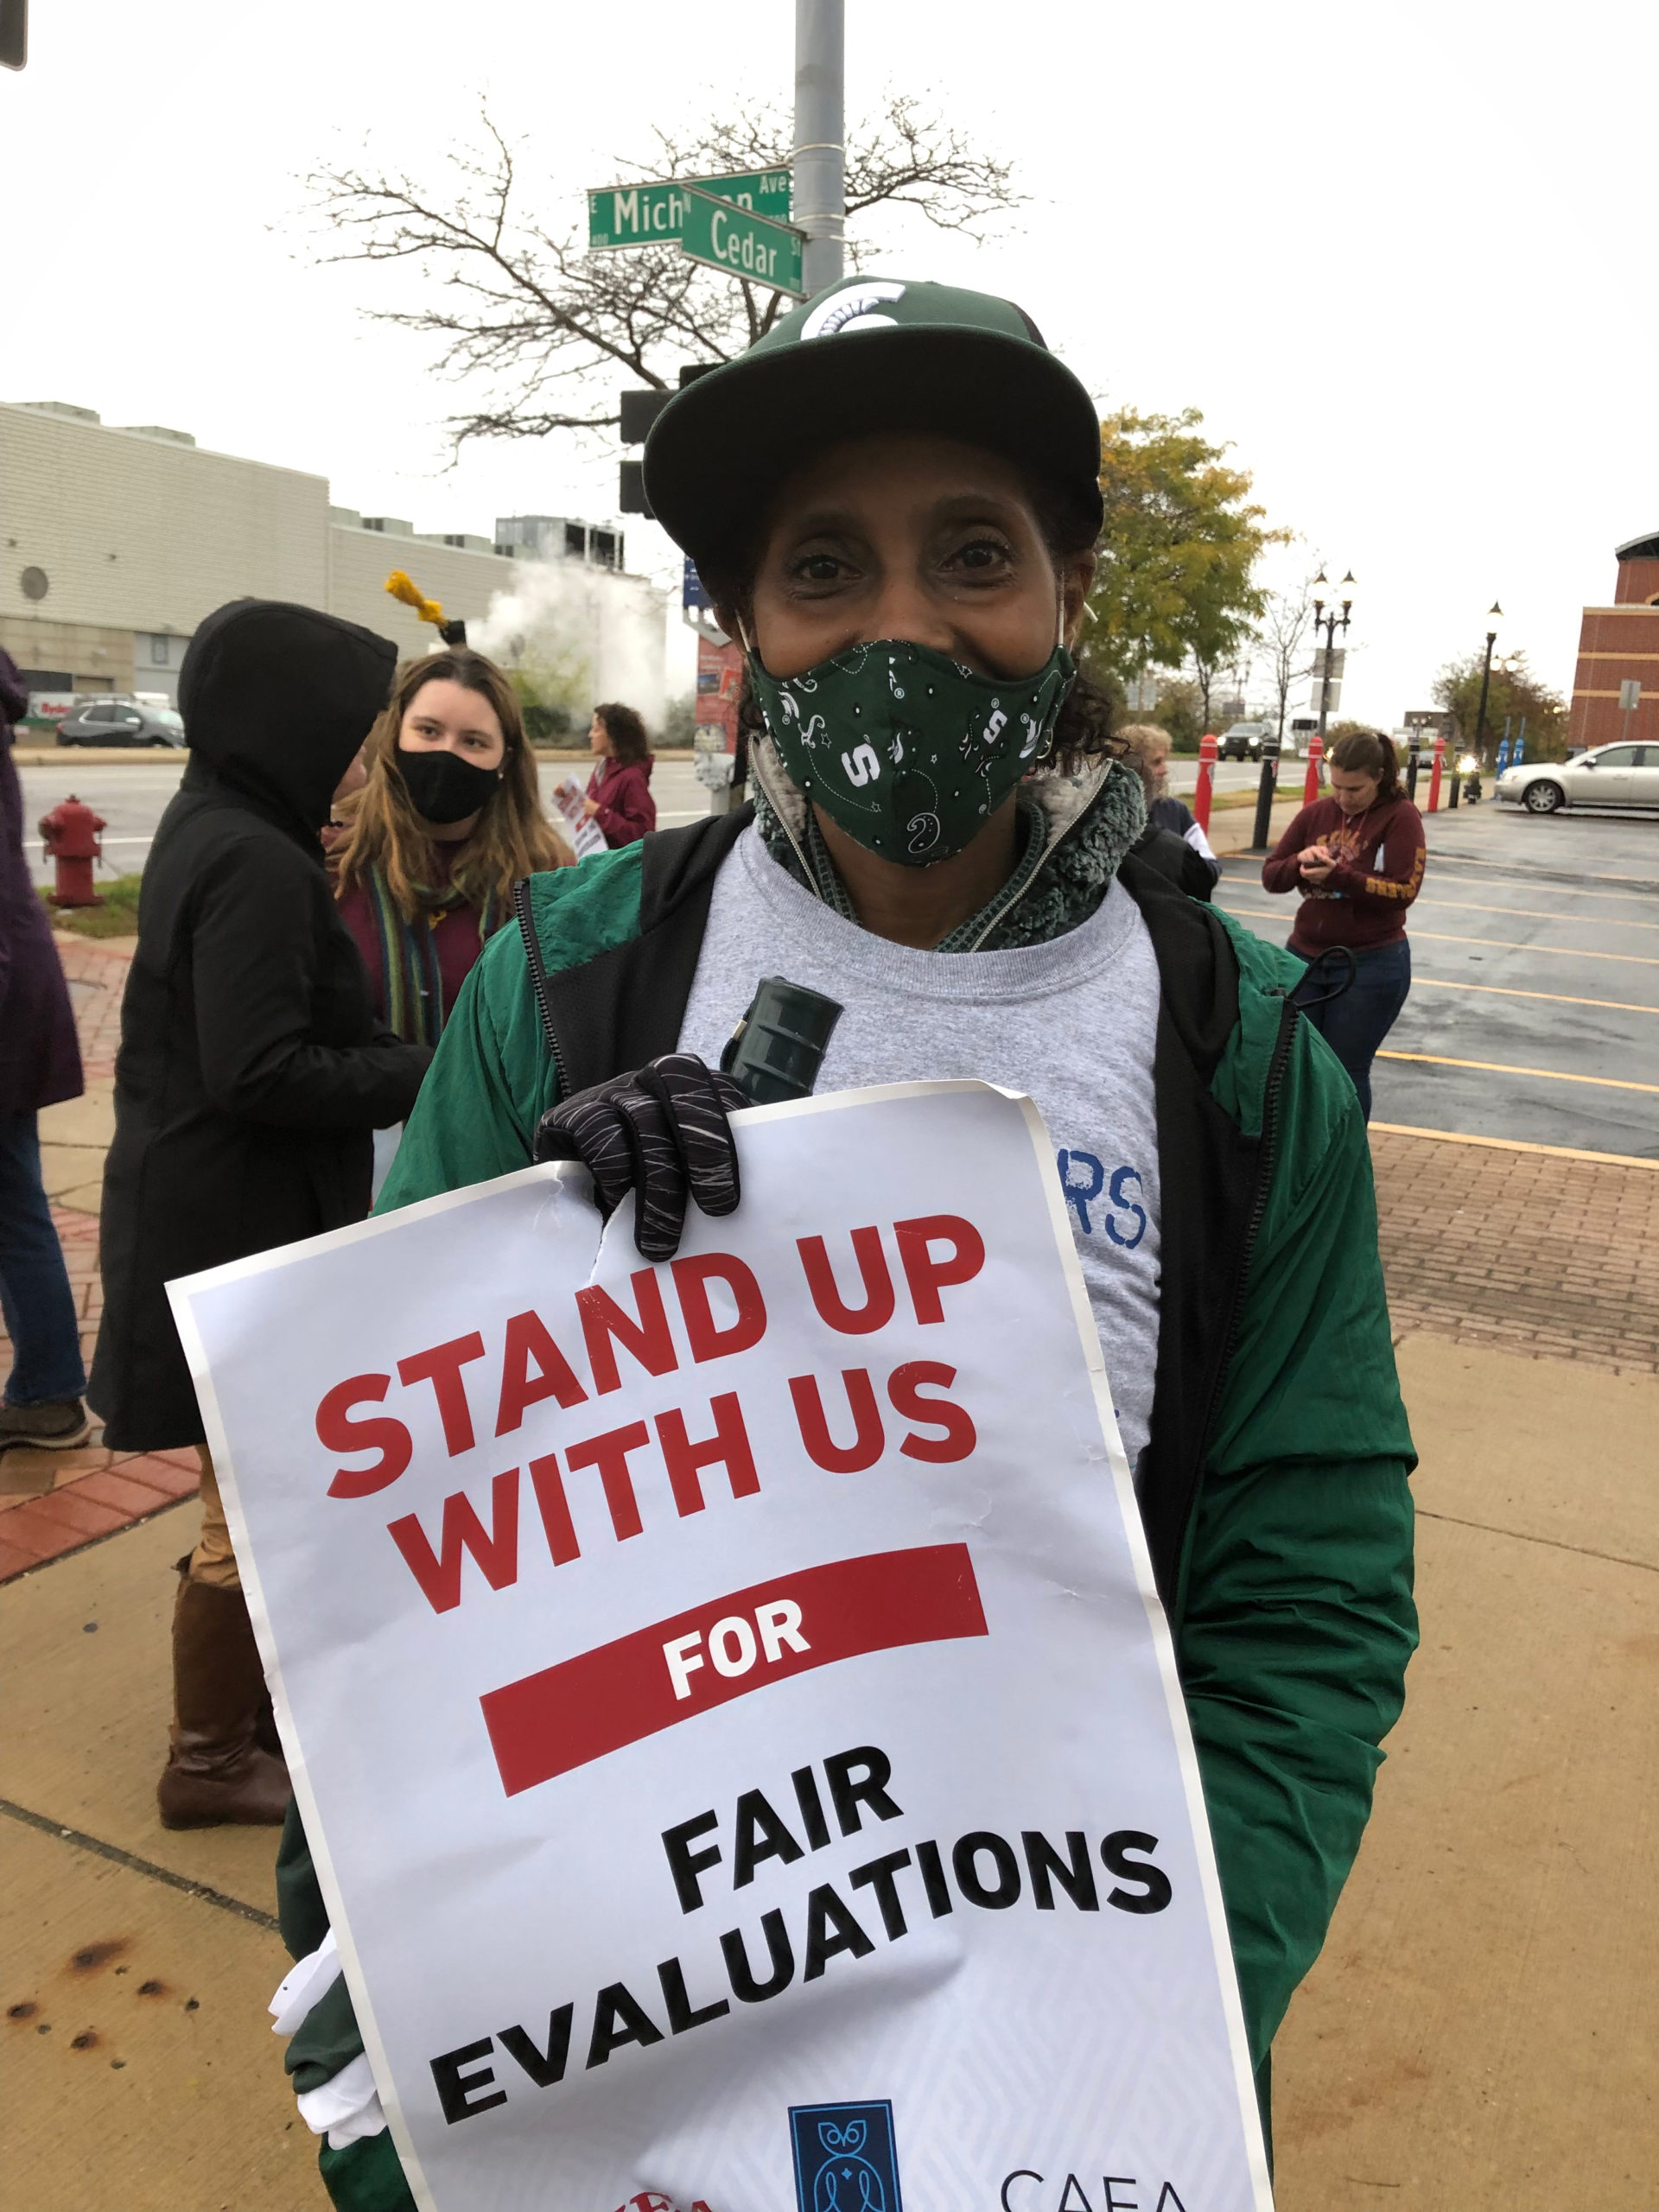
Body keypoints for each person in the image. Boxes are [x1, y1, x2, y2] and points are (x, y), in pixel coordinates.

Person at [270, 279, 1415, 2205]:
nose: (902, 624)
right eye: (823, 568)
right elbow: (380, 1581)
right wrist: (522, 1288)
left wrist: (1148, 2005)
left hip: (1058, 2076)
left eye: (973, 552)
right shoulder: (572, 982)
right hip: (630, 2053)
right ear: (746, 629)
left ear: (1067, 590)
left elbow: (1305, 1596)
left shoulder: (1237, 1053)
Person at [88, 601, 434, 1831]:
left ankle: (253, 1717)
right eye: (350, 735)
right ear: (289, 727)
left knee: (258, 1486)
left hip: (210, 1211)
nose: (364, 760)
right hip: (234, 1228)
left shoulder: (219, 823)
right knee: (246, 1499)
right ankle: (209, 1757)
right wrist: (421, 1068)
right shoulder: (256, 860)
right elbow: (259, 1068)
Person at [332, 650, 569, 1043]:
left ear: (504, 761)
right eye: (428, 731)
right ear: (396, 733)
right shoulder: (336, 859)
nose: (446, 753)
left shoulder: (546, 876)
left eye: (473, 741)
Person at [0, 648, 92, 1452]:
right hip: (17, 989)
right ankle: (47, 1386)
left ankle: (49, 1390)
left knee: (14, 1204)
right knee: (15, 1201)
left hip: (7, 998)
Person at [1260, 727, 1425, 1120]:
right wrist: (1299, 861)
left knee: (1345, 1070)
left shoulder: (1400, 816)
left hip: (1371, 962)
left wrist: (1339, 877)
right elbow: (1271, 876)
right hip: (1306, 956)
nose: (1344, 798)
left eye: (1355, 789)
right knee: (1295, 1065)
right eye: (1336, 787)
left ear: (1379, 778)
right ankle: (1299, 1150)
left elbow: (1404, 890)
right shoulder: (1317, 813)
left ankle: (1343, 1153)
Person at [1123, 721, 1220, 897]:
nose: (1165, 770)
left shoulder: (1174, 810)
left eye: (1164, 760)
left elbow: (1210, 867)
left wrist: (1177, 865)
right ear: (1132, 766)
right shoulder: (1106, 812)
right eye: (1156, 762)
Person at [583, 700, 656, 846]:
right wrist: (569, 797)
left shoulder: (632, 777)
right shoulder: (601, 770)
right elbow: (588, 808)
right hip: (597, 856)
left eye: (596, 730)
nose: (590, 735)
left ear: (612, 736)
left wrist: (601, 814)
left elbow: (643, 834)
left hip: (618, 859)